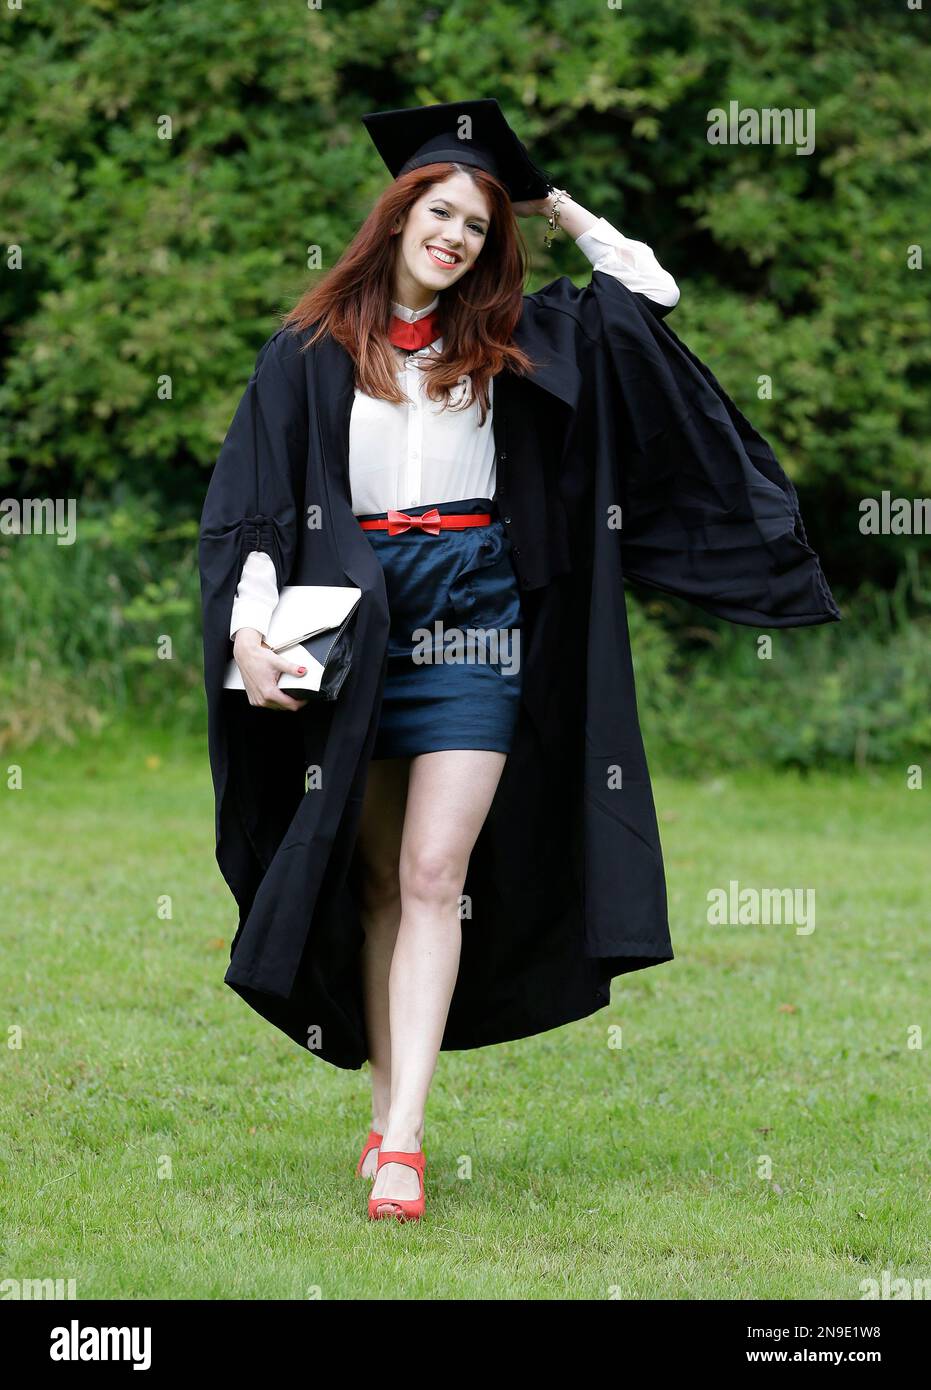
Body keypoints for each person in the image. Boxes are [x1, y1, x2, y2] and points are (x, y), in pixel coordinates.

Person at [198, 100, 839, 1223]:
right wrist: (249, 630)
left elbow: (651, 301)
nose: (454, 237)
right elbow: (254, 508)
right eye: (439, 212)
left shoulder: (515, 339)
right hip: (352, 621)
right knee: (381, 878)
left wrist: (565, 214)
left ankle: (404, 1143)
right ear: (397, 217)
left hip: (473, 615)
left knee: (439, 873)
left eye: (478, 226)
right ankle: (387, 1102)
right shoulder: (306, 353)